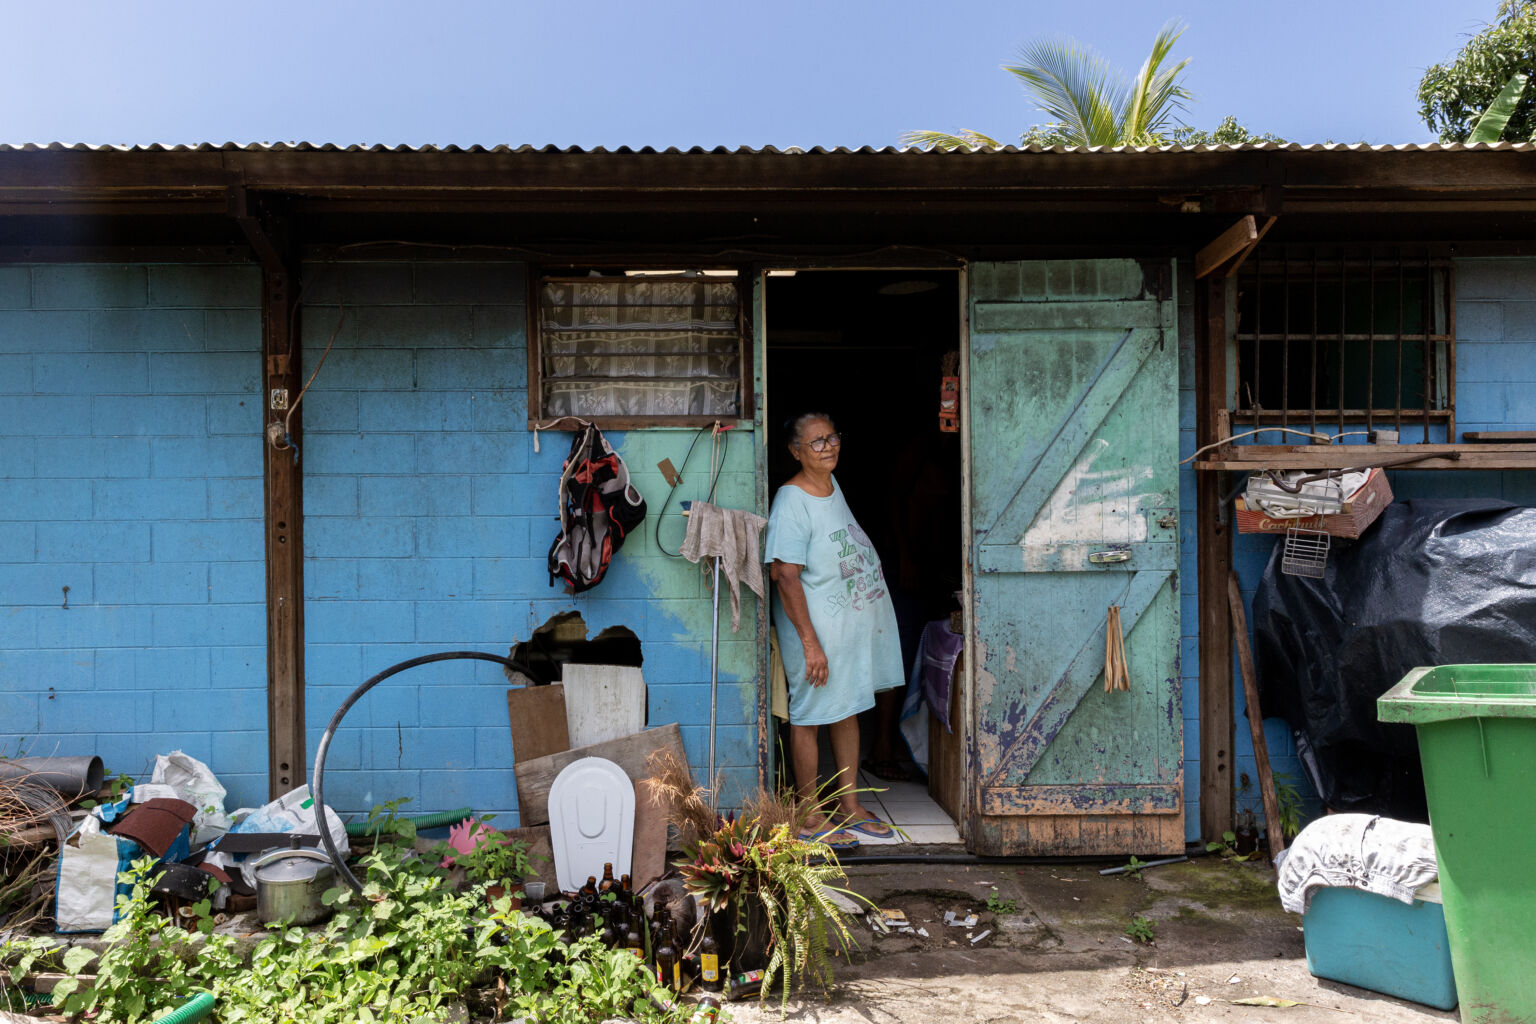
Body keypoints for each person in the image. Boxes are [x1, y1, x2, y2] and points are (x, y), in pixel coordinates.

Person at [765, 412, 902, 848]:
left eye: (832, 438)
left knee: (847, 708)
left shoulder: (830, 486)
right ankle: (809, 815)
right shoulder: (791, 500)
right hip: (815, 636)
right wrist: (810, 643)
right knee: (809, 716)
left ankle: (850, 805)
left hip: (845, 633)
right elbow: (785, 574)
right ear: (795, 451)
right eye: (816, 442)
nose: (828, 447)